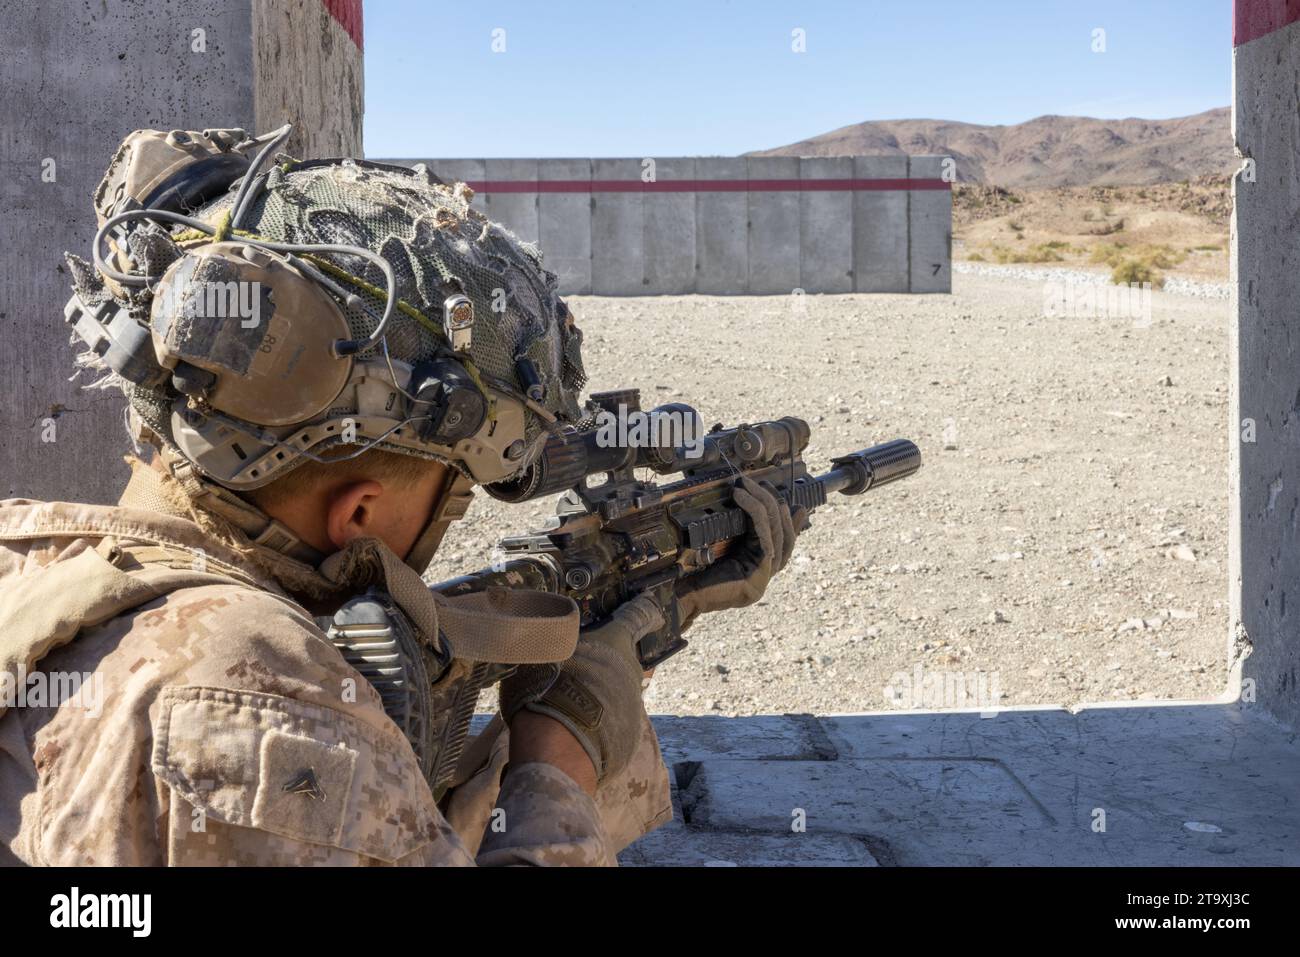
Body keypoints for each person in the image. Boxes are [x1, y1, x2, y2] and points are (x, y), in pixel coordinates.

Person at [0, 127, 802, 866]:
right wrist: (560, 761)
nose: (449, 524)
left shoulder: (30, 562)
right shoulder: (259, 711)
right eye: (451, 498)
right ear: (357, 512)